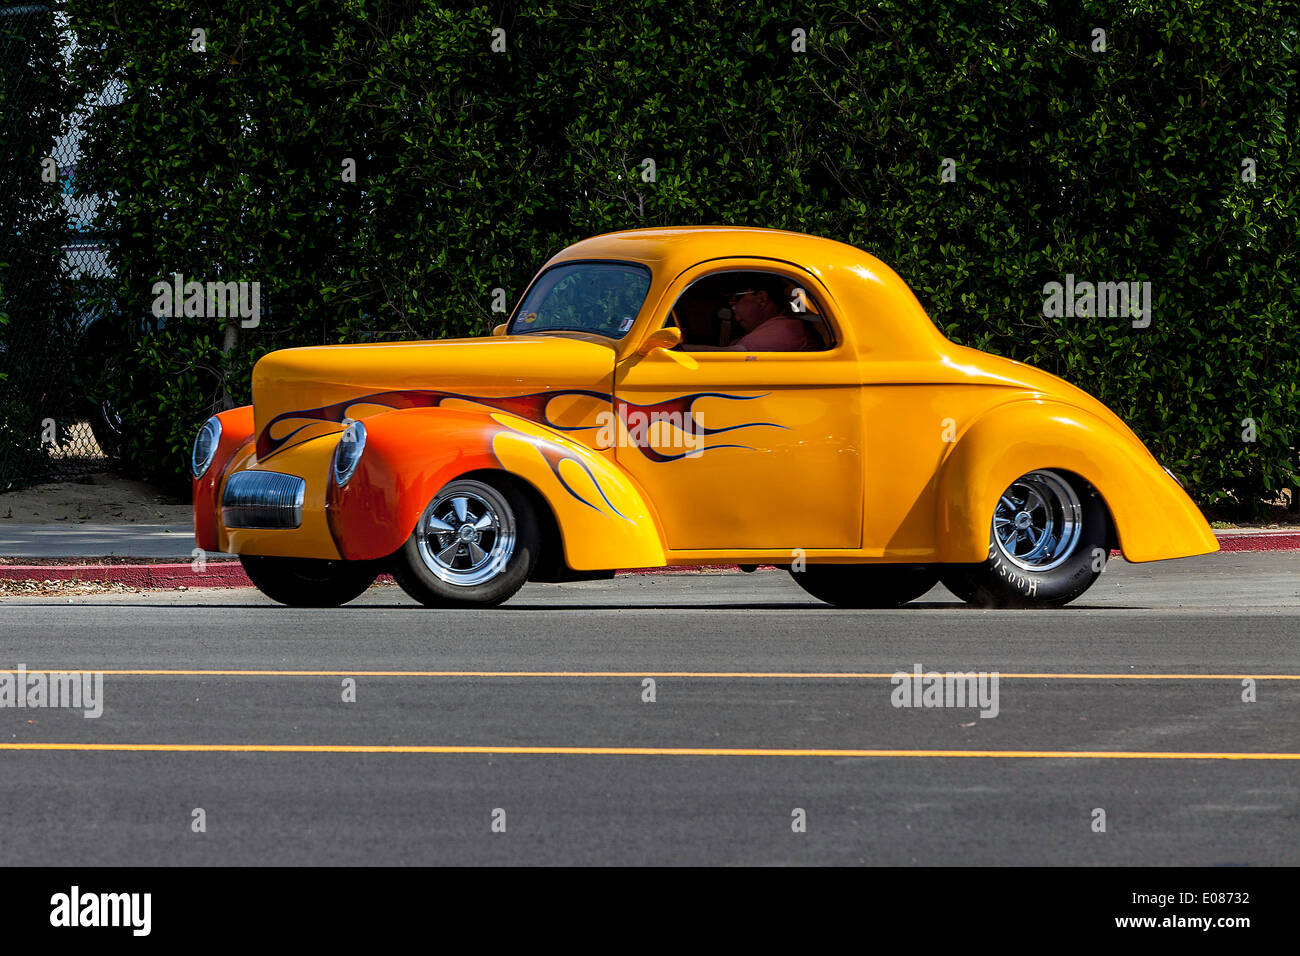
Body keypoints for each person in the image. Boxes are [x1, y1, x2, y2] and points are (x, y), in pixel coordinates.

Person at [682, 276, 812, 351]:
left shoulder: (787, 328)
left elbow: (729, 357)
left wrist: (676, 350)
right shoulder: (767, 326)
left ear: (761, 299)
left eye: (736, 298)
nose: (731, 305)